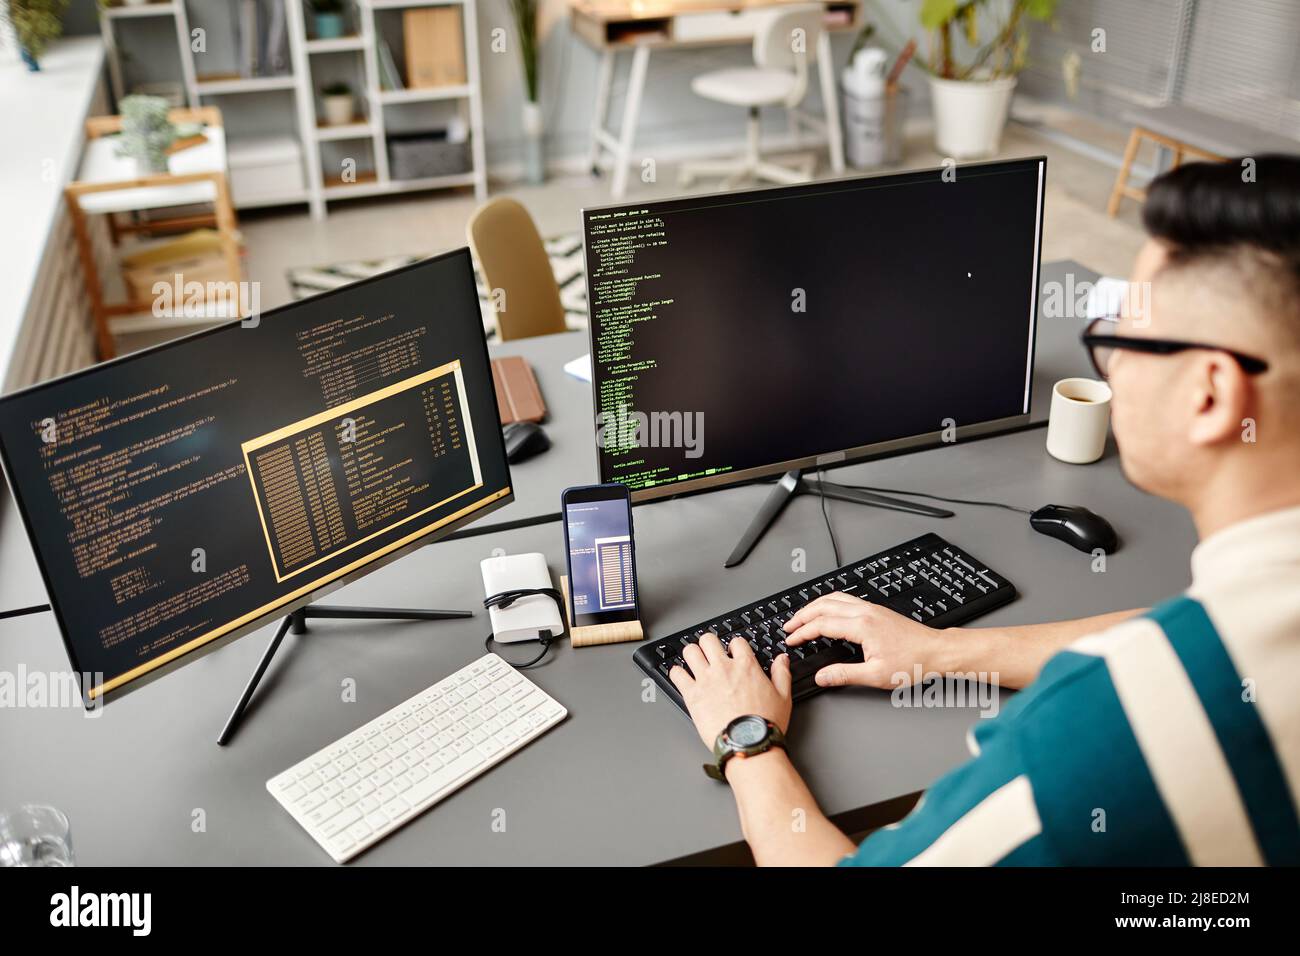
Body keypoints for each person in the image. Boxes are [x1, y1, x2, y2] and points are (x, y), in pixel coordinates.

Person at [670, 155, 1300, 866]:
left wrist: (746, 738)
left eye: (1122, 339)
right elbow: (1194, 624)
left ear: (1210, 394)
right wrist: (944, 651)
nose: (1110, 367)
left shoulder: (1103, 733)